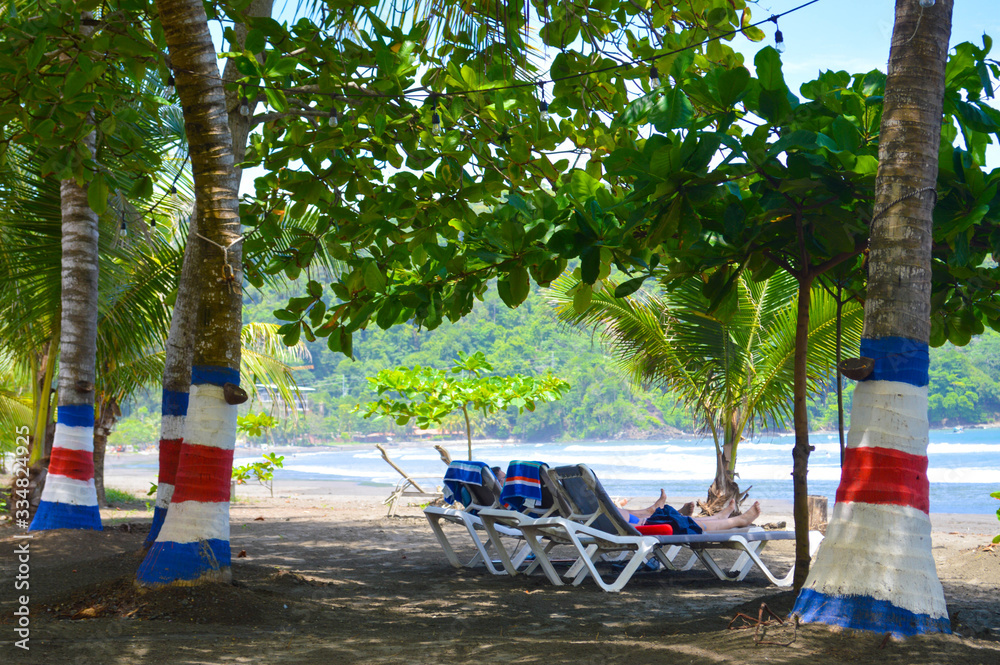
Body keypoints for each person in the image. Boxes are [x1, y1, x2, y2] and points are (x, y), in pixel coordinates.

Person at [619, 494, 761, 535]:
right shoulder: (600, 515)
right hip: (642, 527)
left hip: (639, 523)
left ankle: (719, 517)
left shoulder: (600, 513)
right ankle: (739, 521)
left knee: (680, 520)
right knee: (684, 523)